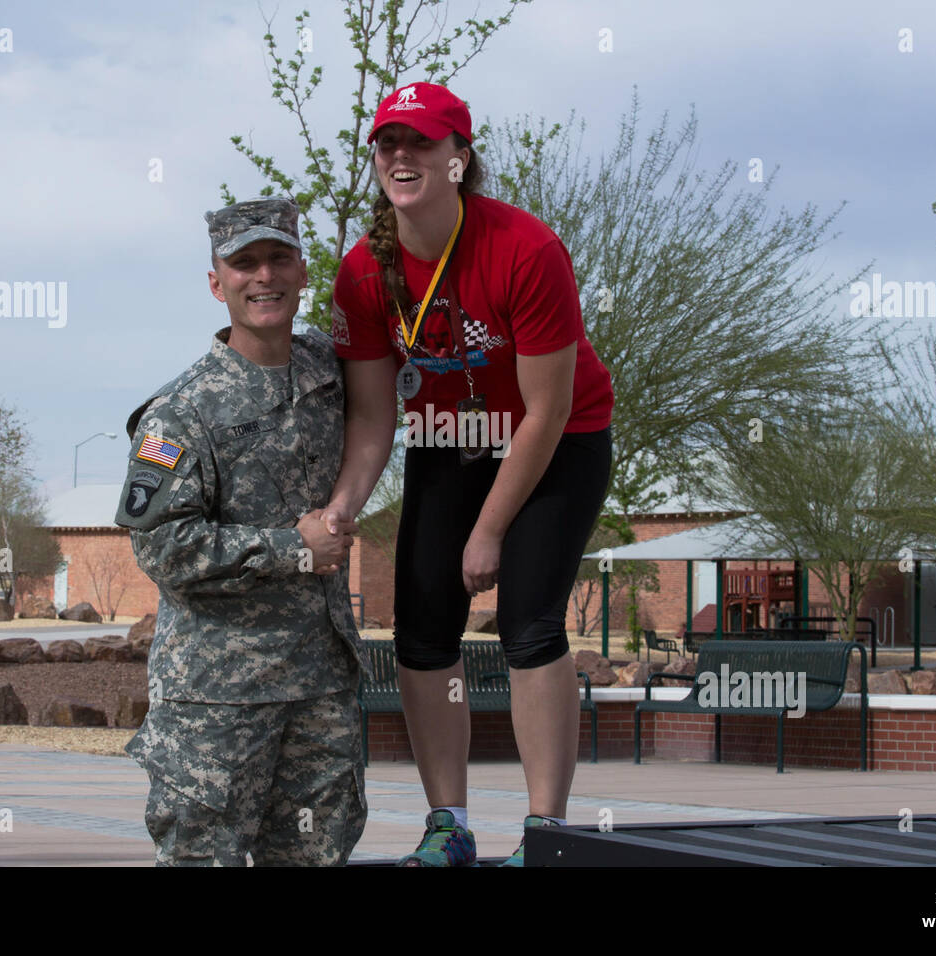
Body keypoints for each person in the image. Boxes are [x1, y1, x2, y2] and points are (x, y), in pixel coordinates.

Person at [325, 82, 614, 866]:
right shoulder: (362, 273)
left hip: (556, 436)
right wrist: (346, 503)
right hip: (451, 438)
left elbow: (547, 411)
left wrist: (489, 531)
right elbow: (373, 417)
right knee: (421, 633)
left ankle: (547, 831)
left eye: (421, 142)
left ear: (459, 159)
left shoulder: (526, 249)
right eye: (388, 143)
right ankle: (447, 825)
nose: (402, 156)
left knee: (529, 623)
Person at [115, 198, 370, 866]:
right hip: (217, 705)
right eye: (244, 263)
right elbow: (162, 545)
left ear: (303, 269)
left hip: (319, 690)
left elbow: (389, 385)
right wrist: (293, 550)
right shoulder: (180, 412)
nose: (264, 276)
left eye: (278, 258)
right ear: (215, 282)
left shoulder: (327, 370)